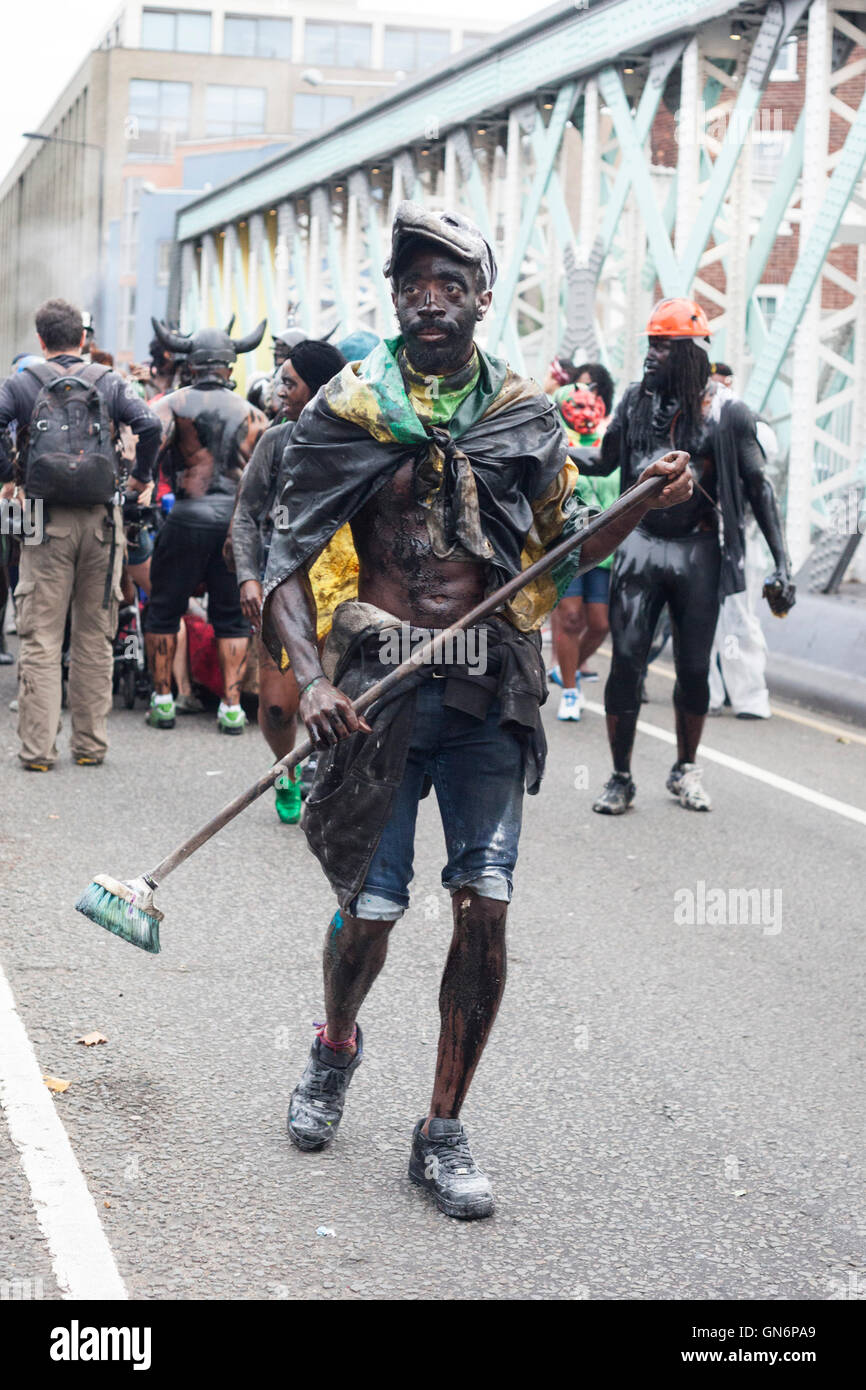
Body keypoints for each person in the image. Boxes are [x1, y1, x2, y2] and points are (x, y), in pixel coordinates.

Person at [262, 202, 692, 1219]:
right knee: (368, 911)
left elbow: (566, 544)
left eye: (449, 283)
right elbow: (283, 551)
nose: (429, 297)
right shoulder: (348, 410)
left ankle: (441, 1127)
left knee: (484, 903)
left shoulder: (522, 418)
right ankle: (334, 1048)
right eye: (412, 280)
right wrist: (314, 680)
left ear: (481, 301)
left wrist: (640, 497)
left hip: (484, 690)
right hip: (373, 694)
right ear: (395, 296)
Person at [574, 298, 794, 815]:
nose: (651, 354)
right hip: (640, 544)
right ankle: (620, 777)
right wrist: (547, 449)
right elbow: (605, 462)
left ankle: (685, 768)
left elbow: (759, 489)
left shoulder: (729, 414)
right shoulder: (633, 402)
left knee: (693, 668)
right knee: (626, 664)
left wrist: (783, 563)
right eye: (649, 343)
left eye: (663, 346)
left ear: (692, 353)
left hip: (699, 552)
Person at [0, 298, 160, 769]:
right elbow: (149, 424)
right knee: (94, 636)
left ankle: (37, 751)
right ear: (84, 338)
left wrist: (10, 474)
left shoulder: (23, 382)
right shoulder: (108, 381)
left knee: (41, 638)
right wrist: (139, 480)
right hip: (101, 521)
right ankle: (89, 747)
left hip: (41, 519)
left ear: (41, 339)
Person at [229, 338, 347, 823]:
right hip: (285, 588)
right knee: (279, 708)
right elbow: (245, 515)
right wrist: (247, 578)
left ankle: (328, 774)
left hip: (349, 591)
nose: (280, 391)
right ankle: (286, 771)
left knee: (336, 696)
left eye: (290, 382)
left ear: (318, 389)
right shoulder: (276, 441)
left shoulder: (359, 441)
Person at [135, 316, 268, 733]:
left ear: (190, 363)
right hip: (234, 524)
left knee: (163, 610)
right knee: (231, 617)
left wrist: (138, 489)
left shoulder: (172, 404)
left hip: (187, 518)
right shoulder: (254, 415)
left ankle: (163, 701)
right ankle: (231, 707)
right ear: (230, 367)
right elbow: (263, 479)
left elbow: (145, 447)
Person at [548, 363, 618, 720]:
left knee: (601, 623)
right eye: (577, 404)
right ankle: (571, 691)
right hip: (566, 543)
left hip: (605, 548)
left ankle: (567, 666)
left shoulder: (612, 442)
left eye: (591, 403)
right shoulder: (553, 440)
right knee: (571, 617)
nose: (585, 409)